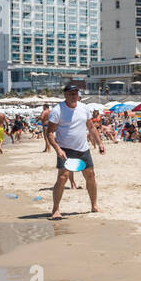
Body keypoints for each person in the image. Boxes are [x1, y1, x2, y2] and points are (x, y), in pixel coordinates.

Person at [45, 83, 105, 220]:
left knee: (91, 176)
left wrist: (100, 143)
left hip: (83, 148)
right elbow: (49, 133)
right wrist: (58, 149)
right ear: (65, 95)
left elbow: (91, 128)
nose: (74, 96)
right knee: (62, 178)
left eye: (76, 93)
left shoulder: (84, 108)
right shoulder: (57, 110)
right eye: (71, 94)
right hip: (65, 149)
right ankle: (55, 210)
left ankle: (94, 205)